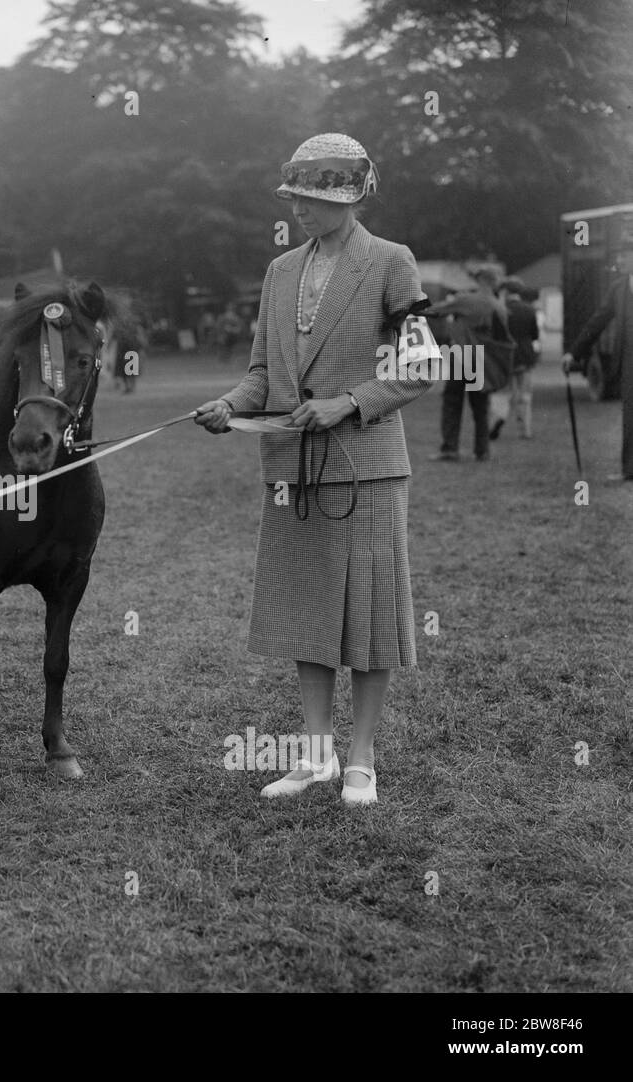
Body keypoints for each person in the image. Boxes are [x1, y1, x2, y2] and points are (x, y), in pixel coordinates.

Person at [194, 133, 432, 806]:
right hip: (292, 472)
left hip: (368, 468)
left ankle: (361, 759)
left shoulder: (391, 263)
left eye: (316, 198)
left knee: (371, 617)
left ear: (351, 198)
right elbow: (262, 375)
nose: (301, 209)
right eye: (296, 197)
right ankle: (316, 753)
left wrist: (347, 405)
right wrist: (228, 406)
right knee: (307, 614)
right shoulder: (278, 272)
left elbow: (419, 367)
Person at [425, 268, 510, 461]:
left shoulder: (466, 300)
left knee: (452, 401)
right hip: (483, 360)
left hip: (460, 355)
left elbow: (434, 311)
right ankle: (482, 450)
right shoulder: (500, 307)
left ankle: (449, 448)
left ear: (480, 279)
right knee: (481, 406)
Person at [563, 250, 633, 481]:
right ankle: (630, 470)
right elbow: (598, 321)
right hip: (629, 363)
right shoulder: (619, 288)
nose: (619, 261)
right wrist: (574, 353)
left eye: (624, 256)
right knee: (630, 416)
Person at [502, 277, 541, 439]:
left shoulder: (501, 309)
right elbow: (535, 335)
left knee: (505, 393)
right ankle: (524, 429)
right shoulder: (529, 310)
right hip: (525, 355)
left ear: (506, 291)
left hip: (506, 355)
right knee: (525, 395)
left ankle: (499, 419)